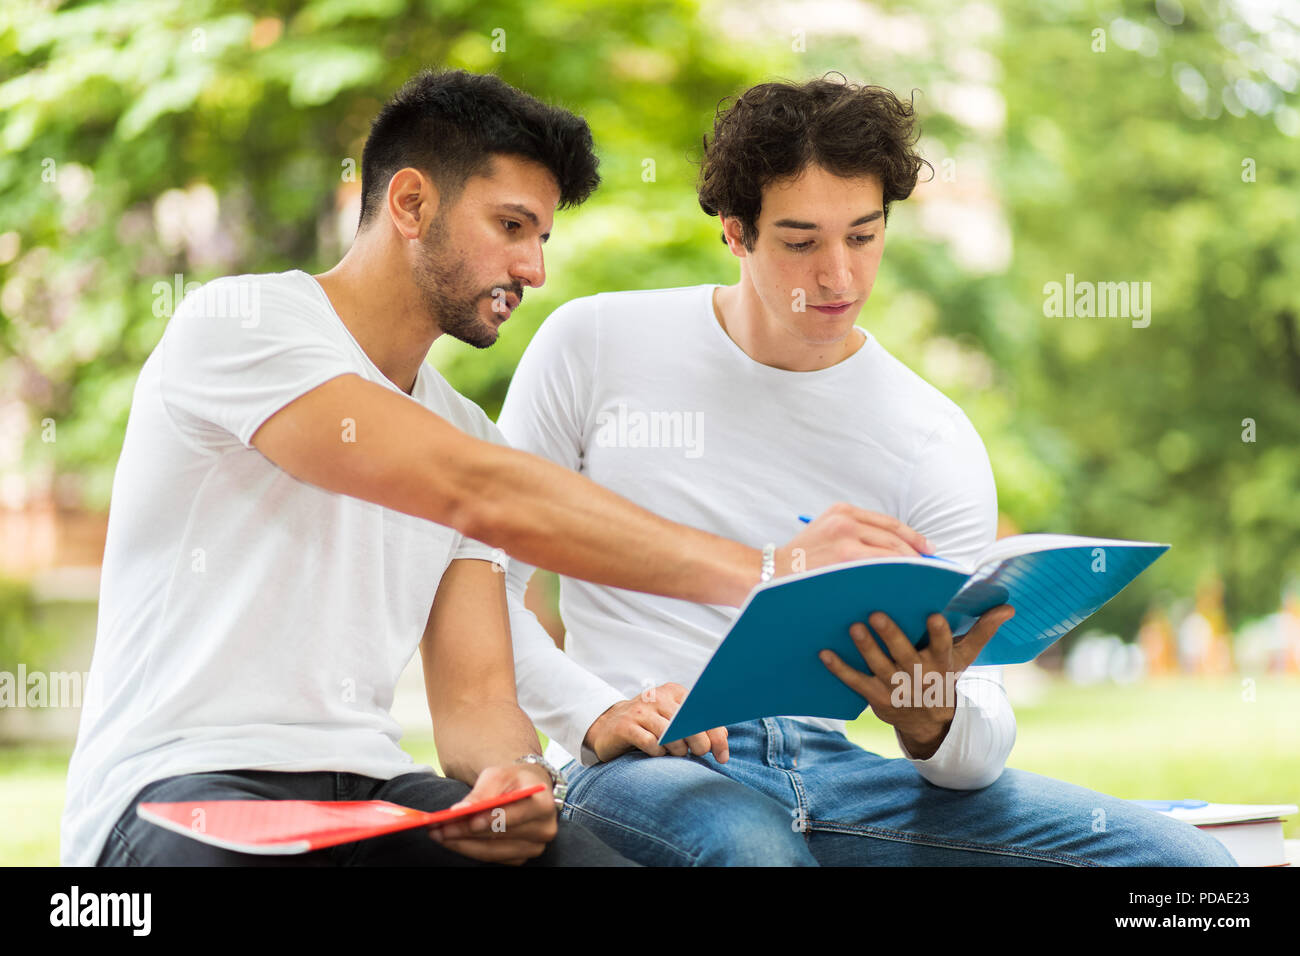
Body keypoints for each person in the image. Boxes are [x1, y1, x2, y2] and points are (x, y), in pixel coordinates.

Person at [61, 69, 907, 868]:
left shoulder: (468, 430)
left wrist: (517, 782)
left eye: (541, 237)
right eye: (510, 227)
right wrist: (768, 572)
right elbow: (476, 492)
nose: (534, 269)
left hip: (372, 789)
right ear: (410, 202)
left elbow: (474, 709)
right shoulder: (243, 323)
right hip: (181, 787)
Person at [497, 75, 1236, 867]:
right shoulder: (597, 343)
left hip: (839, 772)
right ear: (736, 232)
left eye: (863, 235)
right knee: (757, 856)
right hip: (650, 762)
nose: (839, 278)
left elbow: (979, 724)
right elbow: (479, 582)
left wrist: (931, 721)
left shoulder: (930, 435)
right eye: (801, 240)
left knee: (1184, 866)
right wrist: (592, 710)